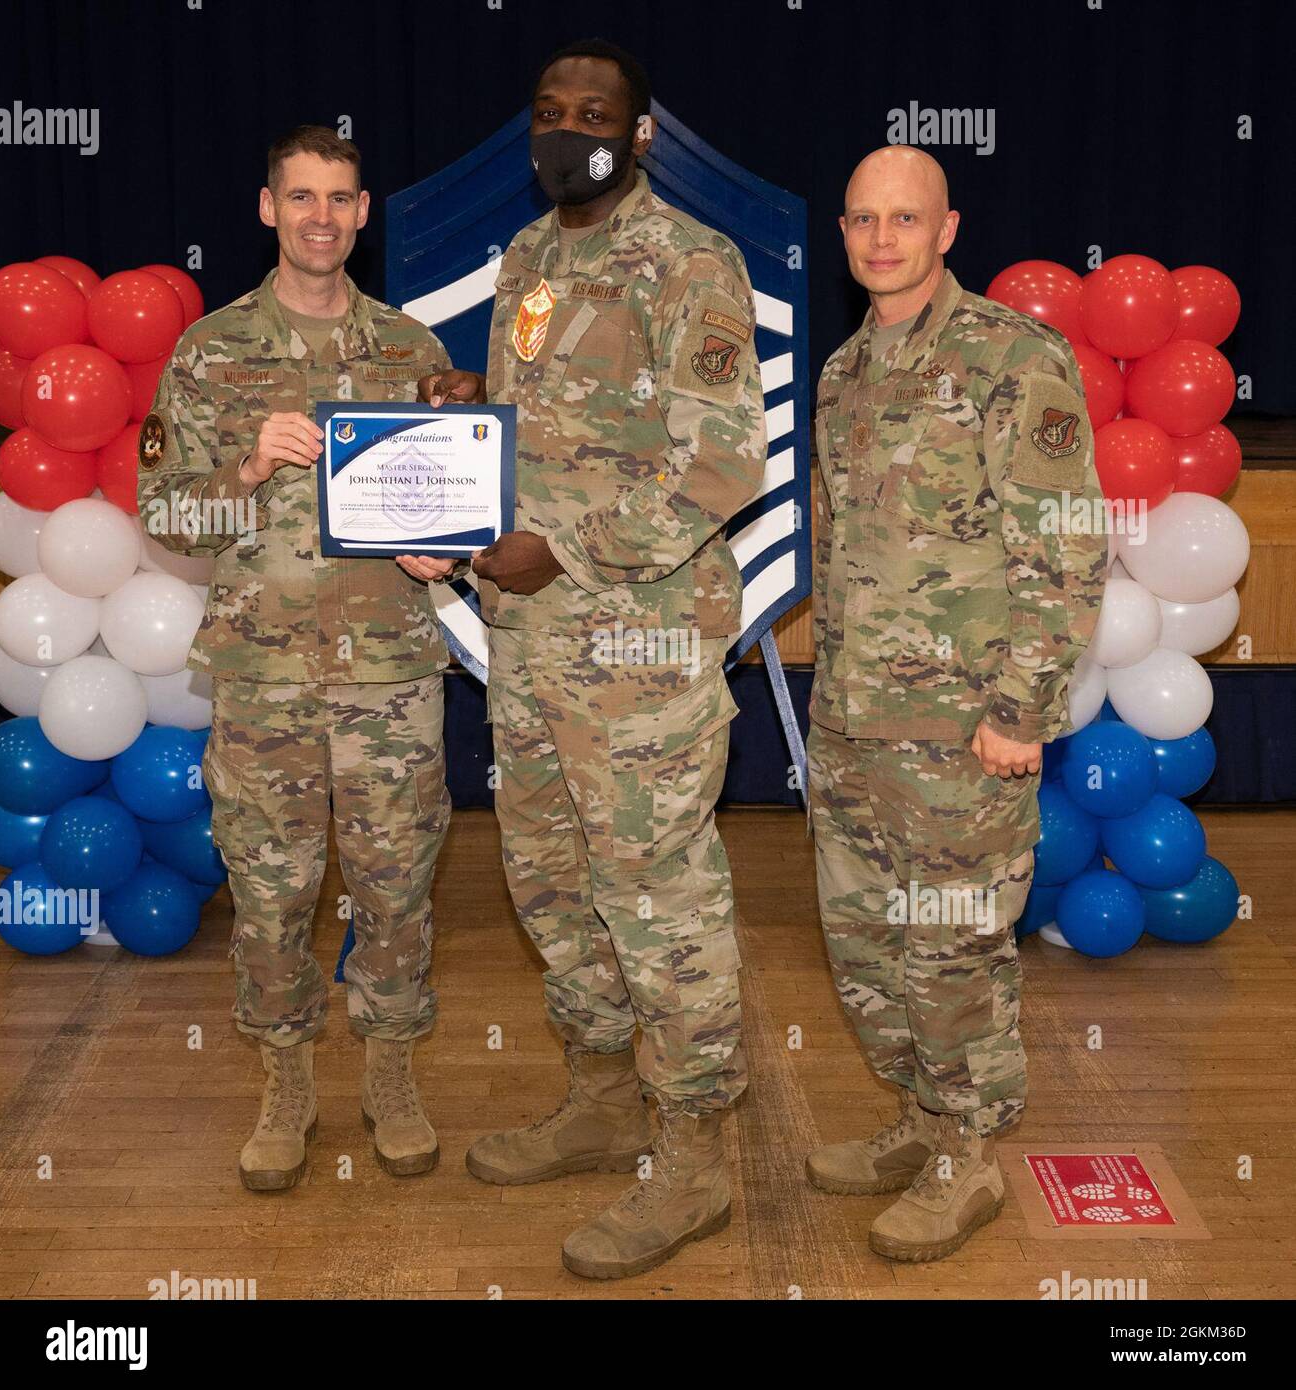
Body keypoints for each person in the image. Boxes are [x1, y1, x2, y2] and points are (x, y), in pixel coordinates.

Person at [403, 38, 766, 1280]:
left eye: (594, 113)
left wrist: (569, 549)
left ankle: (695, 1154)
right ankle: (604, 1097)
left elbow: (723, 465)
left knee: (659, 905)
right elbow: (553, 429)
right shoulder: (527, 259)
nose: (569, 129)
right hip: (531, 651)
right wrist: (471, 411)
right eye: (550, 112)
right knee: (554, 888)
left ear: (642, 131)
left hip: (639, 649)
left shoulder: (689, 263)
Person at [138, 125, 458, 1192]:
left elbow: (459, 514)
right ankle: (284, 1083)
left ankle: (393, 1073)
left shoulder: (414, 356)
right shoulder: (210, 351)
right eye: (301, 197)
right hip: (263, 683)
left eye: (341, 197)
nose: (322, 215)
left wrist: (442, 556)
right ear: (269, 208)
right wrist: (243, 464)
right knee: (271, 896)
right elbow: (168, 517)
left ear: (364, 213)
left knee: (395, 891)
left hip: (390, 682)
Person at [804, 146, 1106, 1260]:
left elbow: (1065, 550)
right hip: (855, 725)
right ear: (842, 233)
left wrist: (1020, 711)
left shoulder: (1008, 356)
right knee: (868, 945)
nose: (881, 239)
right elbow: (843, 555)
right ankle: (917, 1118)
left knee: (949, 950)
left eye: (905, 219)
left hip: (965, 731)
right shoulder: (843, 373)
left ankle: (963, 1157)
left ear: (947, 229)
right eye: (862, 220)